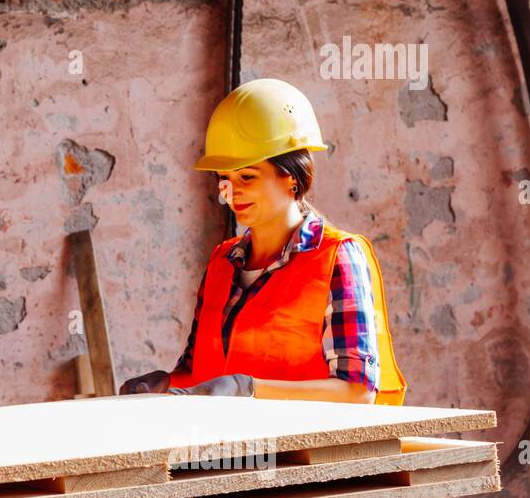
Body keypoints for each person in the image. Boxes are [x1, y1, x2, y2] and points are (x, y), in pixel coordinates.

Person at [122, 77, 406, 404]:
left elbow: (357, 392)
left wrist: (249, 389)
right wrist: (164, 382)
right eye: (224, 178)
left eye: (247, 176)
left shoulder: (336, 257)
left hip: (304, 453)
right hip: (225, 450)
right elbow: (200, 374)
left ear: (291, 177)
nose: (232, 191)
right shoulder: (221, 263)